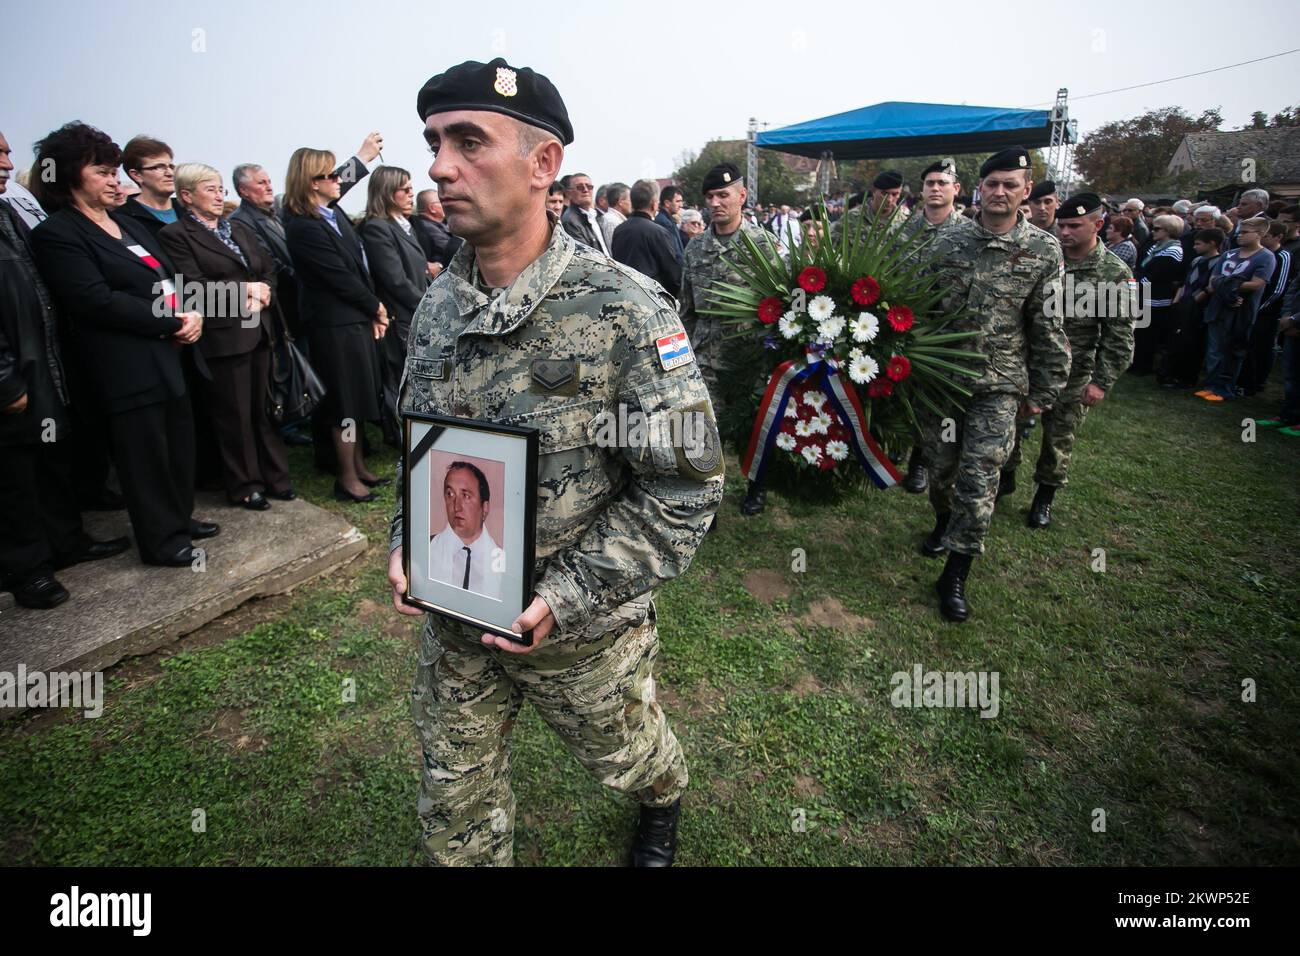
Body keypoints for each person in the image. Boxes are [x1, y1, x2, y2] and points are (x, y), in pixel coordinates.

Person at [389, 57, 722, 868]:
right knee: (452, 814)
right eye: (435, 142)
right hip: (458, 617)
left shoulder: (626, 311)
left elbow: (684, 488)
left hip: (581, 631)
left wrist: (564, 597)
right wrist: (408, 536)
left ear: (544, 166)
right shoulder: (438, 305)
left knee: (630, 757)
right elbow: (424, 447)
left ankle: (661, 800)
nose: (438, 166)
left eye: (470, 141)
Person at [29, 122, 218, 567]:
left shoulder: (126, 224)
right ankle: (162, 541)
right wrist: (170, 321)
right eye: (103, 172)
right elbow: (95, 300)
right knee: (144, 455)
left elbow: (166, 276)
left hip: (168, 353)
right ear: (71, 176)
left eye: (116, 172)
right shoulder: (58, 233)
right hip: (124, 365)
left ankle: (178, 517)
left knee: (176, 443)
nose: (116, 181)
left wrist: (192, 313)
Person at [919, 147, 1069, 622]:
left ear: (1027, 191)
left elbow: (1048, 325)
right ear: (979, 189)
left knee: (979, 477)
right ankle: (944, 522)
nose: (1000, 192)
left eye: (1011, 184)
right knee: (941, 471)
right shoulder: (947, 242)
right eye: (993, 183)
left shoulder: (1043, 251)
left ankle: (956, 572)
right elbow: (917, 308)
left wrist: (1044, 393)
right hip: (943, 382)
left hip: (999, 385)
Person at [0, 129, 129, 608]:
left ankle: (68, 542)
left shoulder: (15, 214)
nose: (6, 162)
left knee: (54, 460)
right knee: (15, 479)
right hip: (15, 376)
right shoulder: (48, 224)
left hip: (47, 363)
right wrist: (4, 381)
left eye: (9, 152)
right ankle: (27, 570)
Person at [158, 163, 292, 510]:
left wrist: (264, 293)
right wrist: (245, 291)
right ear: (186, 196)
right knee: (234, 415)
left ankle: (277, 478)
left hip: (260, 330)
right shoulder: (176, 235)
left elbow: (268, 270)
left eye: (221, 189)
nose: (219, 196)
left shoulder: (238, 229)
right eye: (210, 189)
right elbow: (192, 289)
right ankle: (245, 485)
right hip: (224, 339)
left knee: (264, 409)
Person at [1002, 194, 1134, 528]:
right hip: (1028, 364)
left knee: (1058, 438)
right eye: (1062, 225)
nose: (1065, 232)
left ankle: (1044, 497)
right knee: (1009, 427)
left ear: (1098, 225)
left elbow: (1122, 335)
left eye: (1075, 225)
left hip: (1074, 373)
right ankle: (1007, 476)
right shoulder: (1045, 258)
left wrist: (1101, 382)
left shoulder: (1115, 272)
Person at [283, 147, 390, 501]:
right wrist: (375, 306)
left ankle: (358, 465)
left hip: (354, 320)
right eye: (330, 175)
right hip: (333, 325)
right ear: (311, 183)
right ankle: (346, 477)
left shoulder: (332, 213)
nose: (338, 180)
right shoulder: (303, 226)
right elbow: (339, 277)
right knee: (343, 405)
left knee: (357, 397)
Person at [678, 162, 780, 515]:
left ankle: (757, 485)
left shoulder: (764, 245)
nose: (716, 203)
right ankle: (708, 496)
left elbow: (780, 304)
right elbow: (687, 308)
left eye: (723, 195)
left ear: (742, 196)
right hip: (706, 352)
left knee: (753, 423)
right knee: (705, 426)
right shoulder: (695, 248)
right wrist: (681, 357)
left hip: (750, 353)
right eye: (710, 197)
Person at [897, 159, 965, 495]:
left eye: (942, 182)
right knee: (903, 395)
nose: (935, 188)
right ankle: (896, 447)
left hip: (945, 338)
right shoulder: (903, 231)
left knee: (934, 405)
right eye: (930, 183)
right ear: (921, 190)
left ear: (956, 189)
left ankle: (920, 463)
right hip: (905, 331)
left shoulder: (969, 233)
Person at [361, 166, 432, 444]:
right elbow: (394, 279)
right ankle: (399, 436)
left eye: (410, 186)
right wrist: (428, 304)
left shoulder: (403, 224)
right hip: (401, 316)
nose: (411, 192)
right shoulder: (378, 227)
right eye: (404, 188)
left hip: (414, 311)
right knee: (400, 381)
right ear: (387, 192)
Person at [1199, 217, 1276, 401]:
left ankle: (1224, 387)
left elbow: (1257, 284)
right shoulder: (1228, 254)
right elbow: (1214, 279)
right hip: (1218, 307)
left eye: (1245, 233)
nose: (1239, 236)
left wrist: (1230, 285)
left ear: (1260, 234)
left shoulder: (1265, 257)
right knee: (1214, 348)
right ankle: (1211, 384)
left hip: (1242, 311)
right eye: (1239, 232)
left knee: (1232, 350)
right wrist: (1228, 285)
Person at [427, 461, 502, 600]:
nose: (456, 506)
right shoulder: (426, 549)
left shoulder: (502, 562)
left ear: (485, 508)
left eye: (466, 496)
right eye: (450, 494)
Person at [1166, 227, 1225, 389]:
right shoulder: (1196, 261)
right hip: (1185, 303)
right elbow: (1185, 282)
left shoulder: (1218, 262)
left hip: (1199, 307)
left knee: (1193, 343)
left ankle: (1187, 377)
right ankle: (1172, 373)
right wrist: (1177, 301)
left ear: (1212, 244)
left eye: (1198, 244)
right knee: (1178, 340)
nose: (1194, 247)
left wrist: (1197, 299)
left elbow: (1211, 285)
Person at [1239, 221, 1292, 395]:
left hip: (1268, 311)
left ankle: (1255, 383)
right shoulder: (1258, 253)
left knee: (1261, 347)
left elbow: (1278, 289)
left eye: (1268, 236)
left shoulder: (1282, 256)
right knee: (1246, 344)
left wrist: (1261, 307)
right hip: (1249, 307)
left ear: (1278, 237)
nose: (1264, 238)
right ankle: (1242, 380)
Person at [1131, 214, 1185, 376]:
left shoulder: (1173, 250)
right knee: (1139, 332)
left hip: (1156, 298)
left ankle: (1143, 365)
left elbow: (1157, 275)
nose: (1152, 232)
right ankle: (1136, 362)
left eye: (1156, 229)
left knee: (1148, 334)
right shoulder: (1157, 246)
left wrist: (1137, 284)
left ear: (1168, 230)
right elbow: (1144, 268)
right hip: (1145, 293)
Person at [611, 178, 681, 293]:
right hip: (651, 298)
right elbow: (672, 274)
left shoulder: (619, 230)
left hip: (625, 294)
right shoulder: (658, 232)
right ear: (654, 204)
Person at [117, 136, 183, 239]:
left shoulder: (189, 209)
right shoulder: (122, 219)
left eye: (171, 166)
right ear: (136, 175)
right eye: (159, 167)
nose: (170, 173)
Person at [833, 169, 908, 242]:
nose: (889, 199)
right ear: (874, 191)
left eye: (895, 194)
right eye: (884, 194)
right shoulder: (851, 218)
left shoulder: (905, 222)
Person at [411, 187, 462, 275]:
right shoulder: (426, 227)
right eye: (441, 201)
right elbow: (456, 249)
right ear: (432, 208)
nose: (446, 205)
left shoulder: (438, 224)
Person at [559, 172, 608, 253]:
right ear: (569, 193)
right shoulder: (570, 221)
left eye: (589, 187)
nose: (585, 190)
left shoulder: (597, 216)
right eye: (580, 187)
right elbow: (586, 255)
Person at [656, 185, 685, 260]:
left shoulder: (667, 220)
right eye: (678, 201)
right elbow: (675, 253)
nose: (681, 205)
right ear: (667, 203)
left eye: (681, 201)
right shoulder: (664, 222)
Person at [599, 182, 630, 252]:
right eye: (630, 199)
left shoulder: (616, 220)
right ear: (621, 202)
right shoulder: (611, 221)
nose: (632, 203)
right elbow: (614, 252)